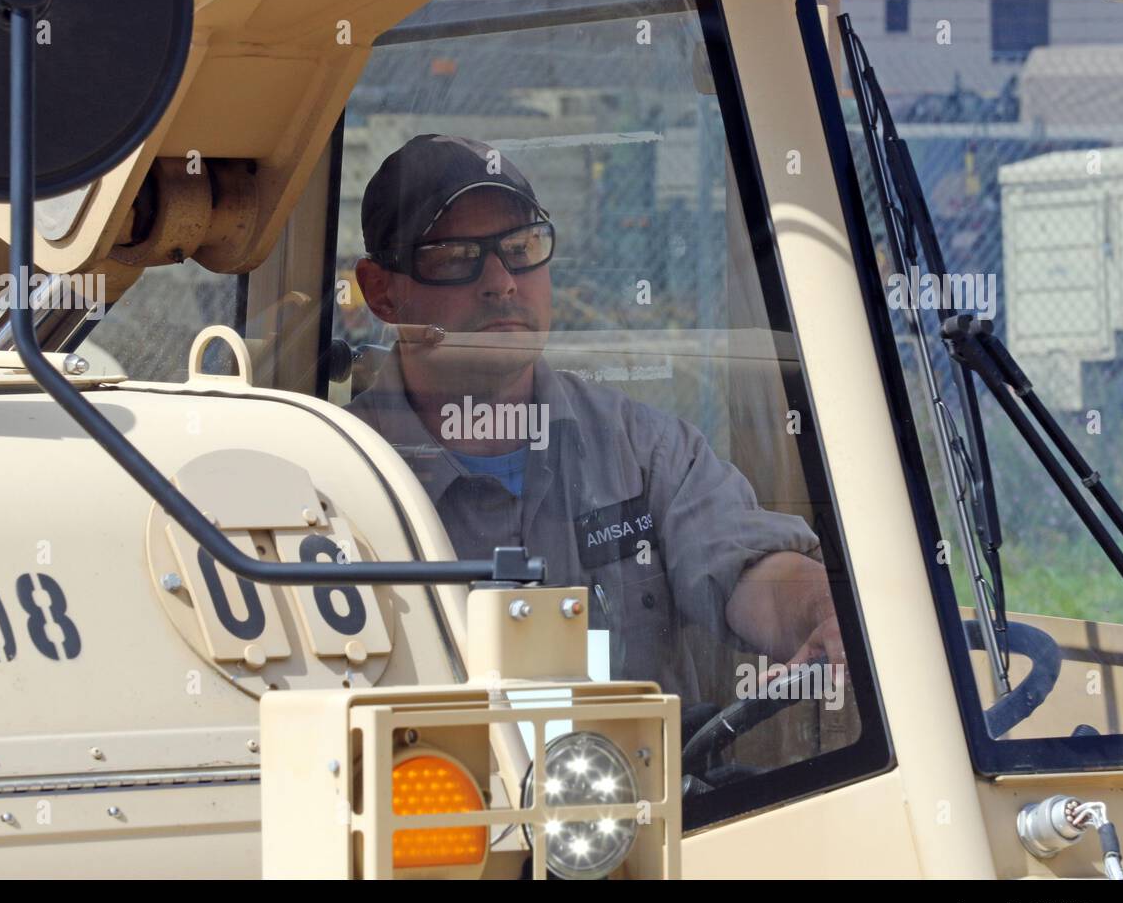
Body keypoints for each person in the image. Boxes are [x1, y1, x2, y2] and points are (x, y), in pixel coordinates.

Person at [348, 134, 843, 706]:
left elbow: (749, 566)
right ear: (381, 293)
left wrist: (822, 614)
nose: (502, 281)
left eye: (521, 246)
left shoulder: (643, 452)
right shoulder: (341, 479)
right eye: (456, 257)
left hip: (642, 792)